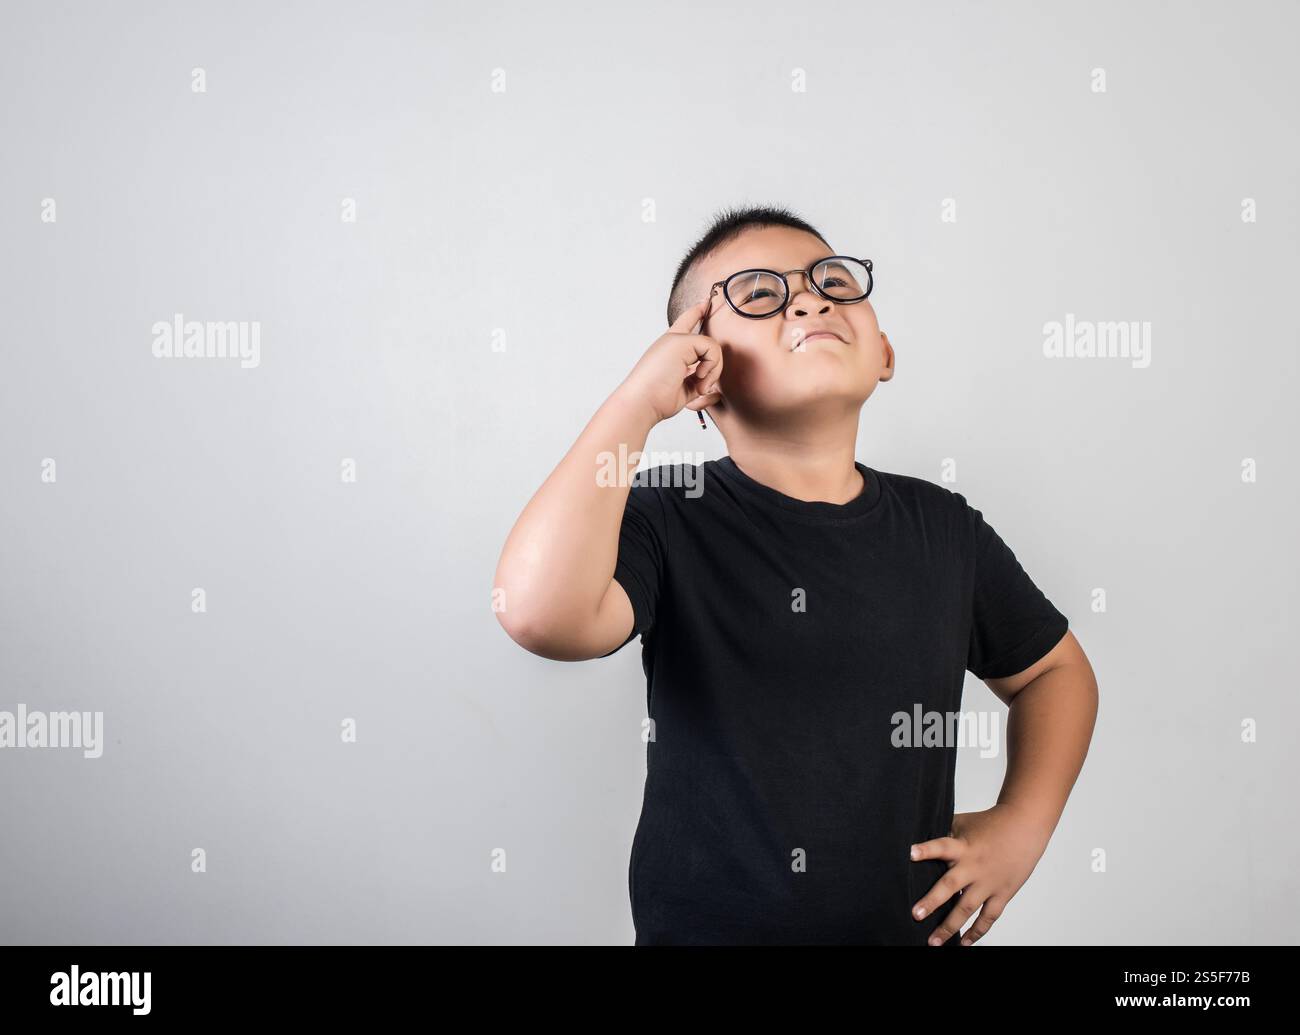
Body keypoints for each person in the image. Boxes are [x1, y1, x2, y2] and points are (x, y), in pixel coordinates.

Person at [493, 204, 1099, 946]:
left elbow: (1055, 672)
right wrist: (634, 404)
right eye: (757, 294)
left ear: (885, 352)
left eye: (833, 282)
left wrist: (1022, 825)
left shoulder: (945, 528)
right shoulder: (668, 517)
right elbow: (535, 612)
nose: (809, 299)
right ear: (696, 368)